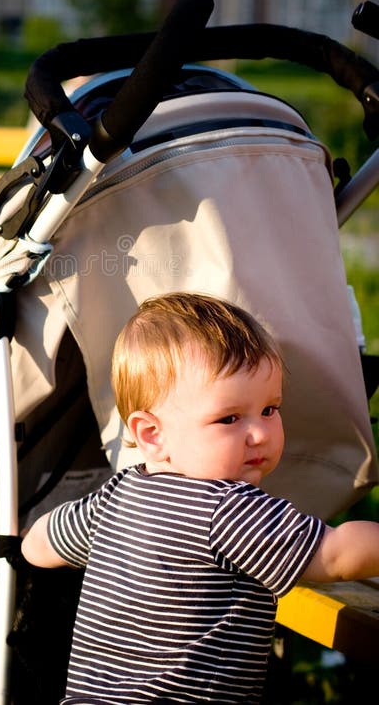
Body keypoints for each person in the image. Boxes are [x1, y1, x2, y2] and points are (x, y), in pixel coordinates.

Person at [21, 292, 379, 704]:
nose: (260, 432)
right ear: (152, 434)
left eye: (270, 409)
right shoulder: (227, 508)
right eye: (229, 418)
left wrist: (26, 539)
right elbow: (335, 555)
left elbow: (45, 540)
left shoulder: (115, 496)